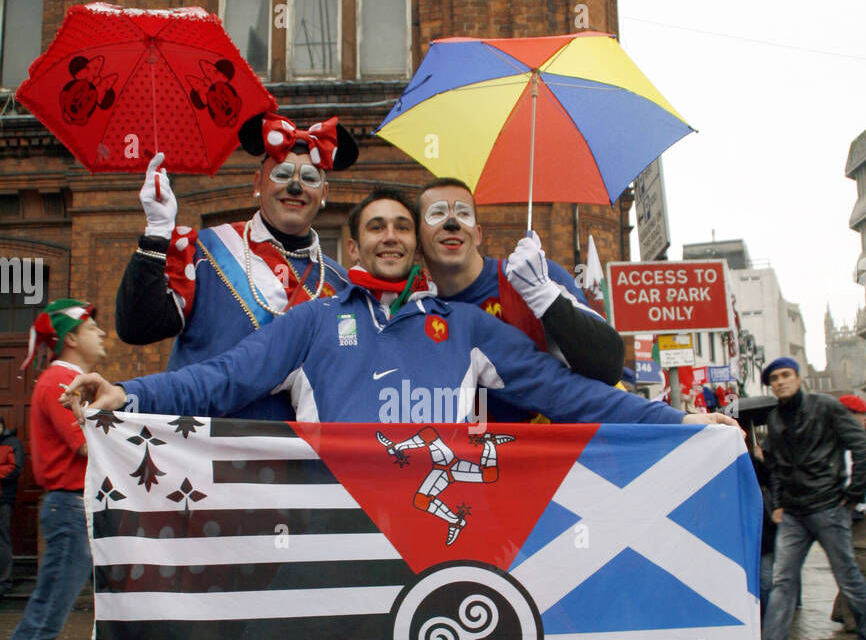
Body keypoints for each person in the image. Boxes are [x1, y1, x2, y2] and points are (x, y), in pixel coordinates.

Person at [63, 190, 738, 442]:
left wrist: (680, 419)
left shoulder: (469, 328)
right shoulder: (313, 323)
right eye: (375, 227)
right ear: (351, 247)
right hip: (337, 543)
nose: (391, 236)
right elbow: (220, 379)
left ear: (416, 246)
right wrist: (129, 392)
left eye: (401, 227)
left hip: (449, 538)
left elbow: (571, 395)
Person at [114, 112, 358, 419]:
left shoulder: (341, 284)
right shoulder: (205, 251)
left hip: (294, 459)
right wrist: (156, 234)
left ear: (324, 194)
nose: (295, 187)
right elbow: (136, 327)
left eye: (309, 179)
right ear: (258, 184)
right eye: (281, 174)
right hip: (206, 454)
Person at [415, 178, 625, 417]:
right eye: (437, 214)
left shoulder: (529, 275)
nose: (452, 223)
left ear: (479, 234)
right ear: (417, 241)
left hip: (558, 443)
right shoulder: (415, 305)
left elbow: (610, 366)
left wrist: (543, 295)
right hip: (479, 449)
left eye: (464, 214)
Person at [0, 301, 106, 640]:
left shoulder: (67, 380)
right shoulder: (60, 381)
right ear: (70, 337)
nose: (102, 334)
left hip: (78, 507)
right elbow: (89, 446)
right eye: (93, 327)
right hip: (70, 509)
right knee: (47, 614)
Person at [760, 357, 866, 640]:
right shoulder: (776, 419)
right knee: (782, 582)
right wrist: (779, 503)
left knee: (848, 578)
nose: (780, 382)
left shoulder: (826, 407)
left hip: (828, 506)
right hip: (794, 512)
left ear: (798, 377)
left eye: (785, 375)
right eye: (774, 379)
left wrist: (852, 493)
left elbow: (860, 446)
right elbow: (776, 467)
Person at [830, 393, 866, 630]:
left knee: (854, 565)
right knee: (856, 565)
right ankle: (853, 620)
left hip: (856, 511)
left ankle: (844, 613)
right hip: (850, 512)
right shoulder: (838, 443)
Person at [0, 413, 24, 599]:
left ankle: (4, 581)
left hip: (3, 498)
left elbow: (14, 468)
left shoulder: (13, 443)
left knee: (2, 540)